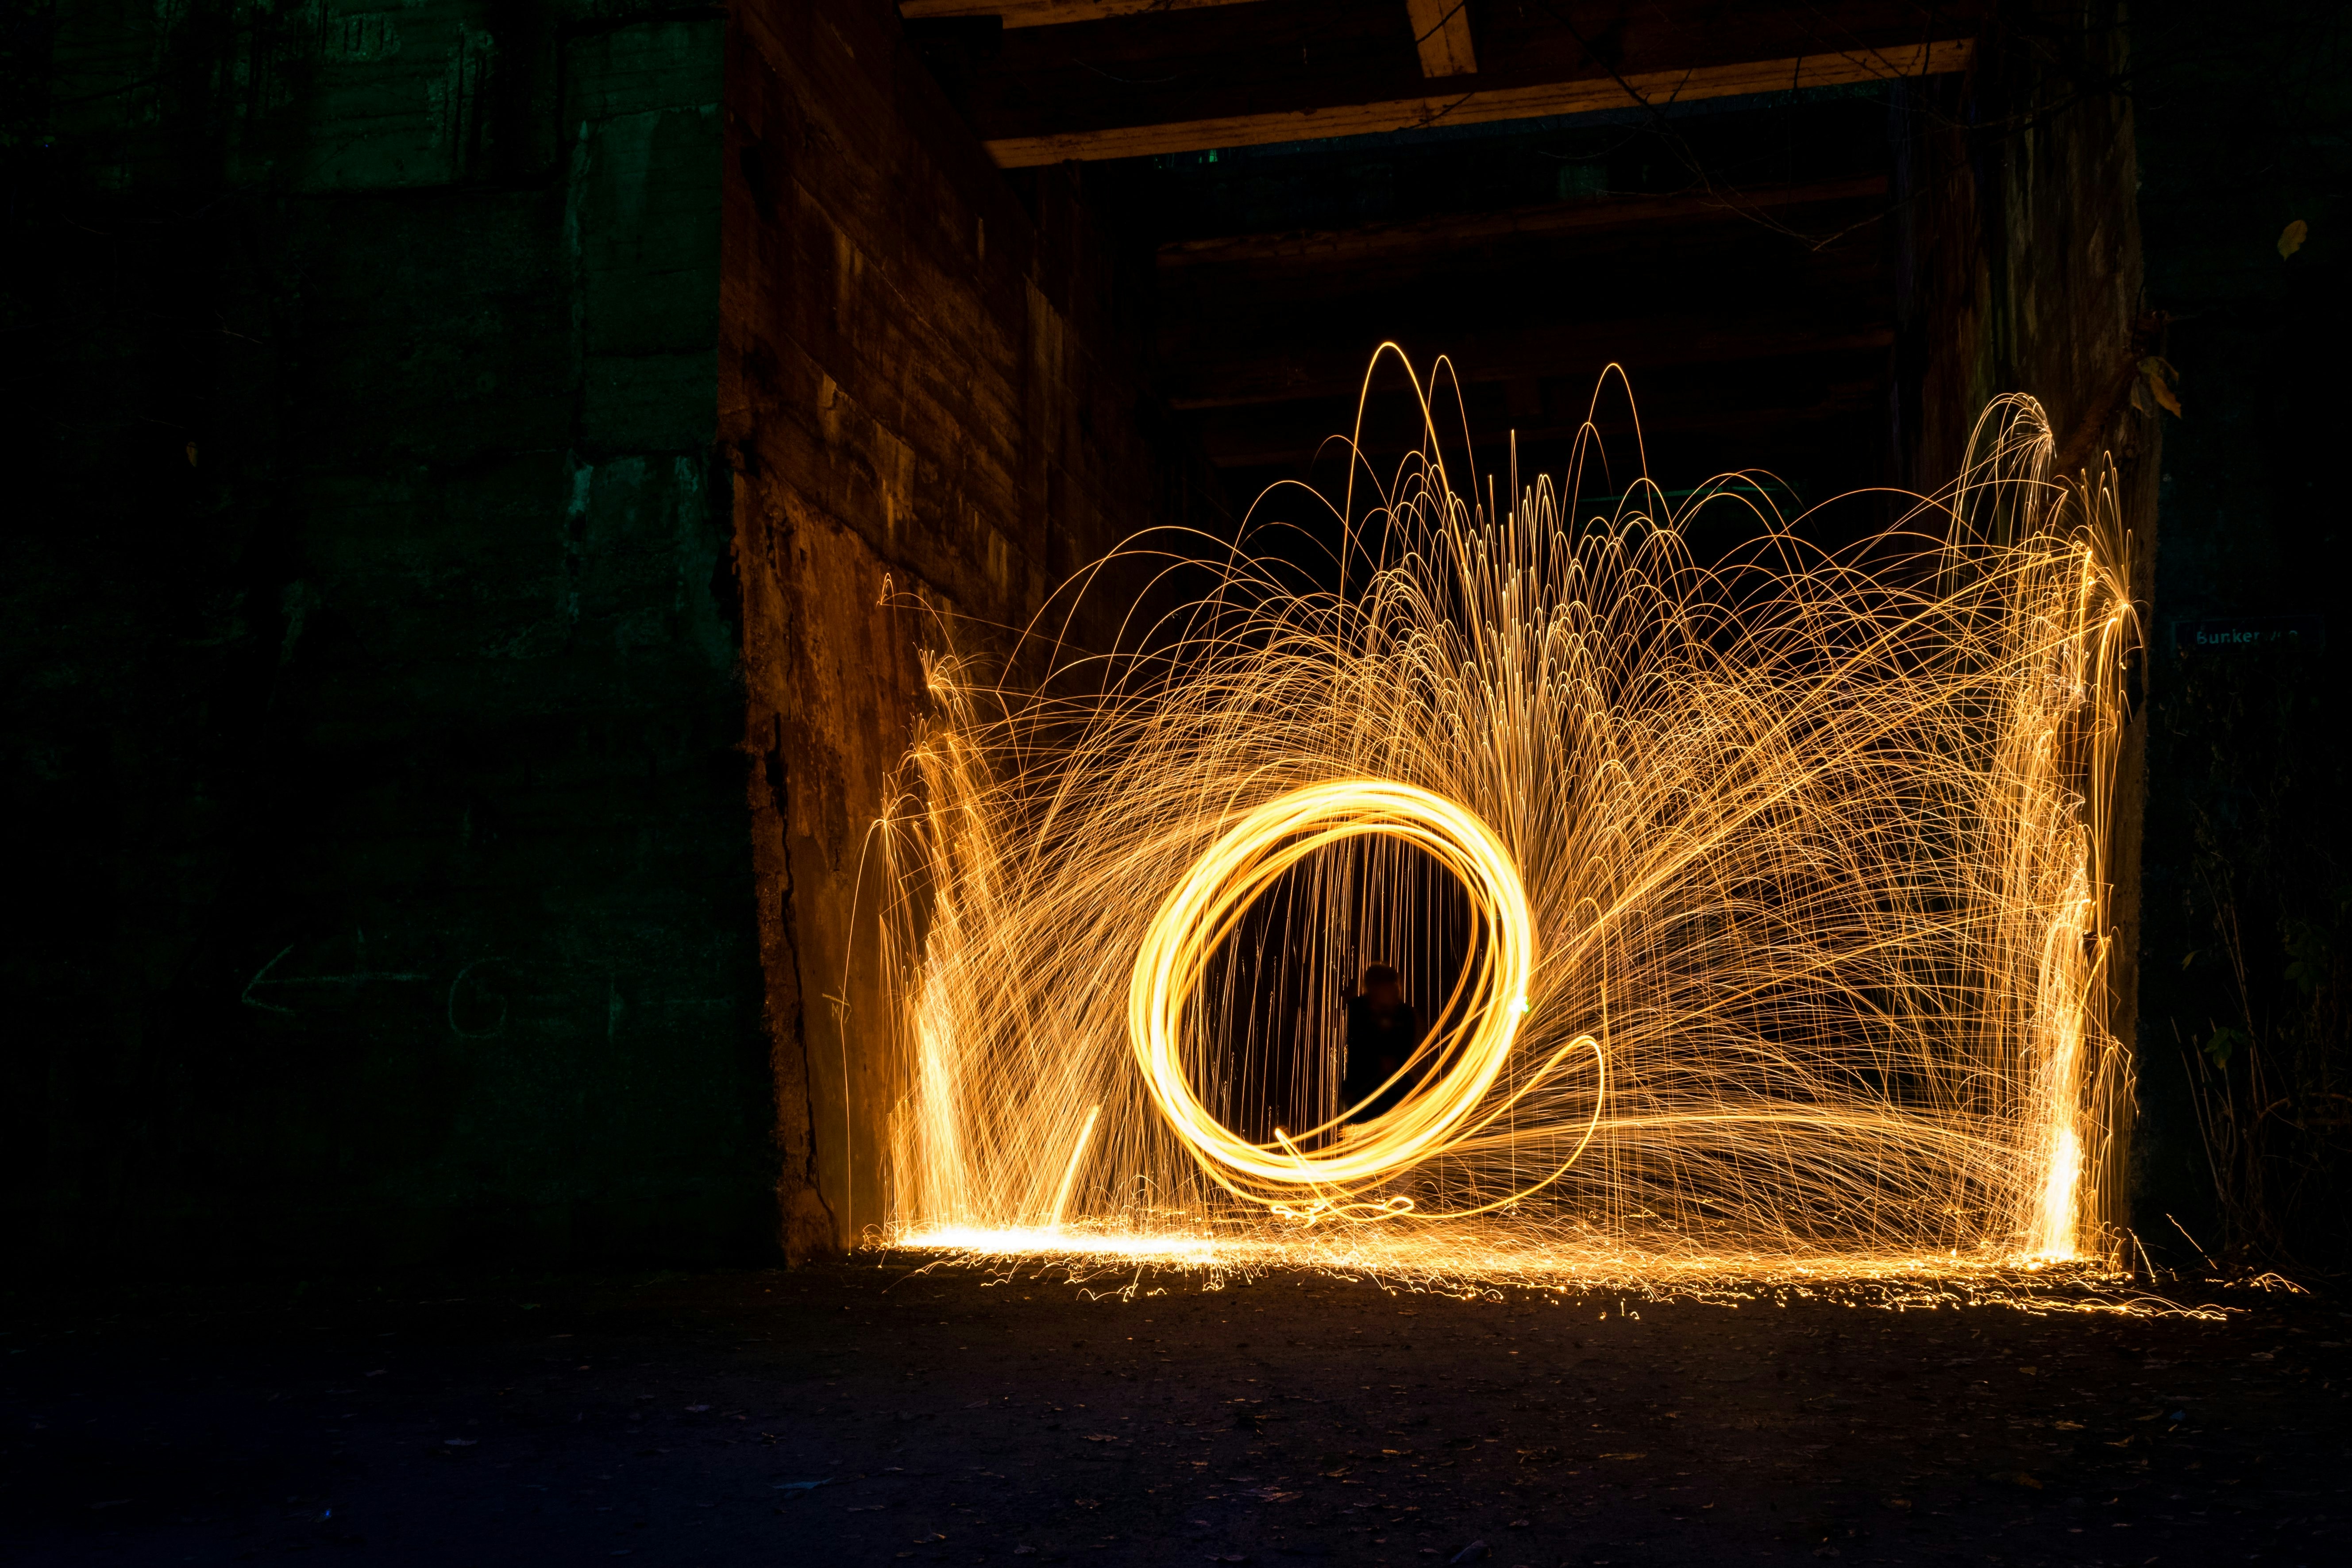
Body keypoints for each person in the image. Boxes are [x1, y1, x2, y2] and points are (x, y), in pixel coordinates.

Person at [1342, 963, 1421, 1123]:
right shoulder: (1354, 1011)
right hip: (1360, 1091)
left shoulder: (1406, 1015)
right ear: (1373, 989)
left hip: (1394, 1091)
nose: (1396, 991)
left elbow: (1404, 1052)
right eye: (1390, 986)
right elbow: (1351, 1051)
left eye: (1395, 985)